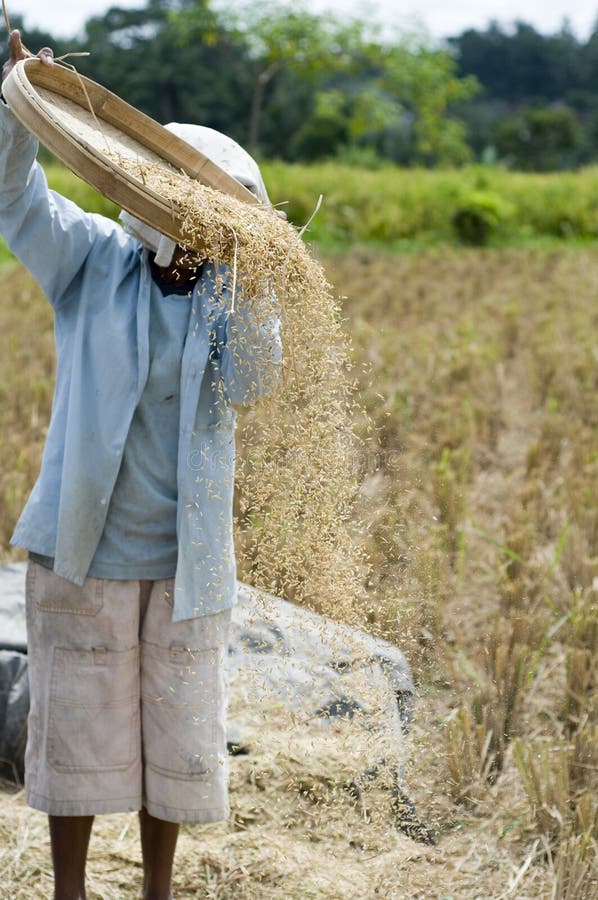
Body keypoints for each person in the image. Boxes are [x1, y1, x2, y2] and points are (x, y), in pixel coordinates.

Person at [1, 30, 282, 900]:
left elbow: (254, 381)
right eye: (188, 213)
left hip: (181, 562)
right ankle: (72, 891)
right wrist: (21, 103)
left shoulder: (227, 300)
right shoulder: (90, 260)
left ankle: (157, 889)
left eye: (217, 221)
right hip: (85, 549)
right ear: (150, 206)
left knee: (178, 738)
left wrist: (250, 278)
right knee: (76, 734)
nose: (196, 234)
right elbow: (13, 195)